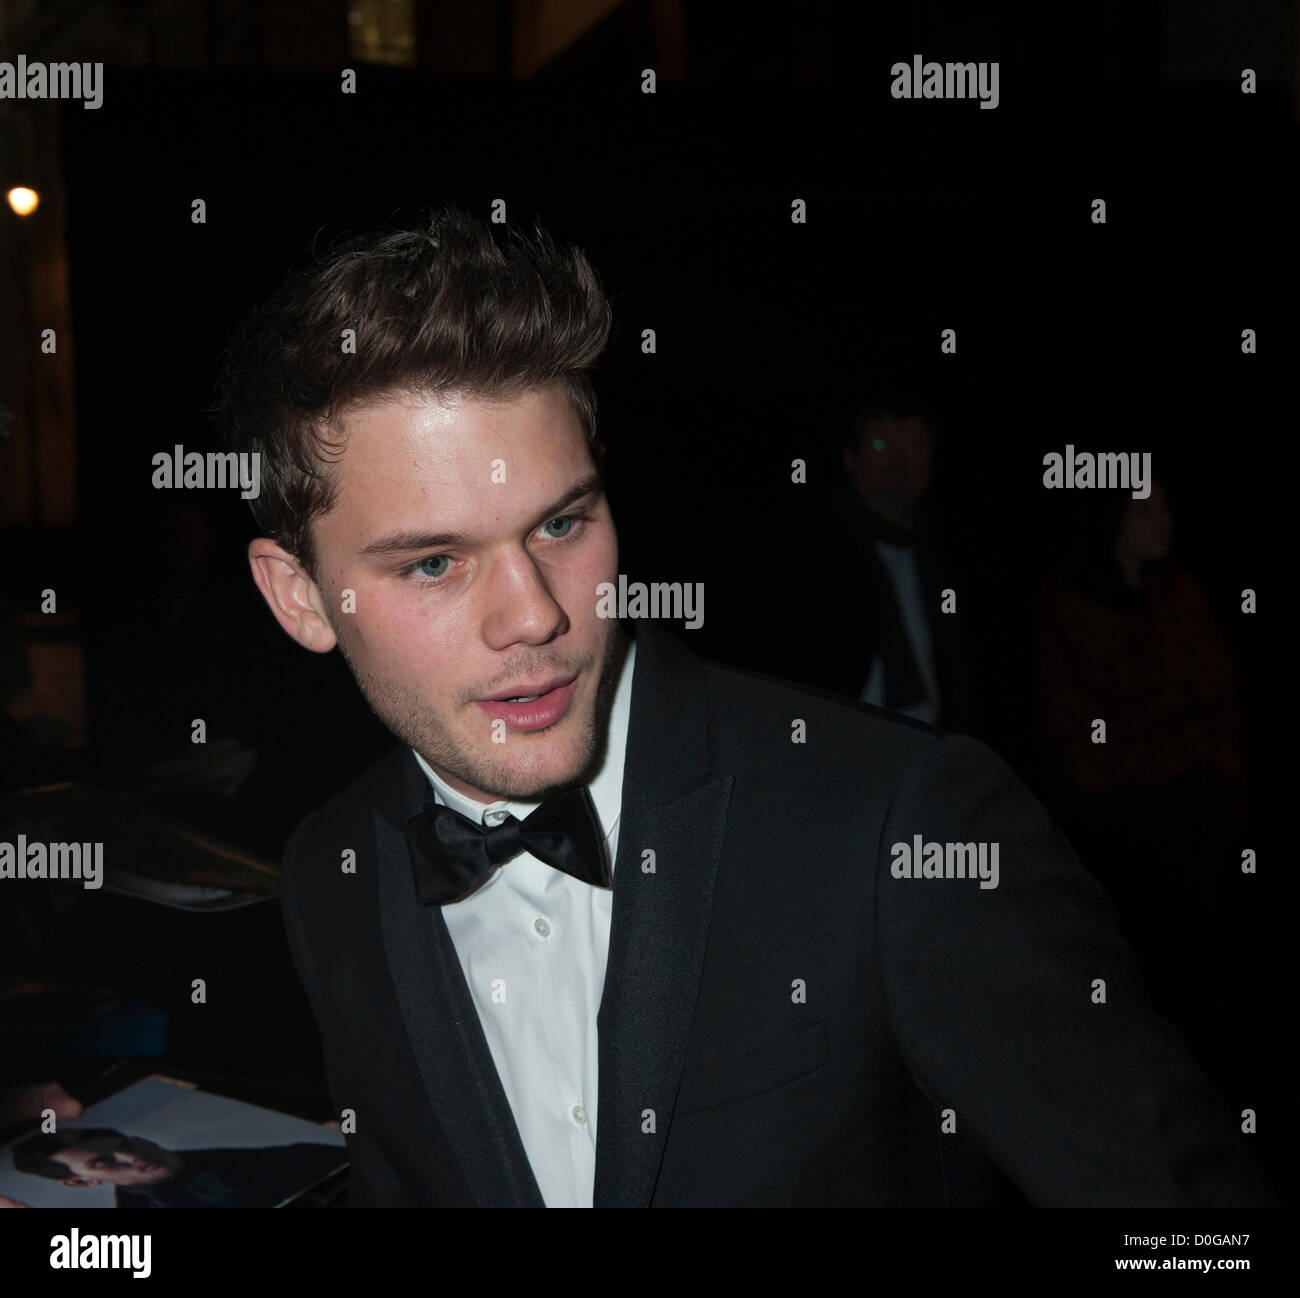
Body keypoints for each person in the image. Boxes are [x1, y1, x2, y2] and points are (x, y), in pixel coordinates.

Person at [212, 206, 1274, 1207]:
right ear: (299, 595)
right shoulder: (328, 869)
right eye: (435, 561)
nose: (532, 614)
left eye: (560, 524)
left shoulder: (906, 823)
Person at [8, 1127, 344, 1207]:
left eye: (125, 1145)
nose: (132, 1157)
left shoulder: (284, 1152)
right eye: (102, 1162)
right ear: (82, 1183)